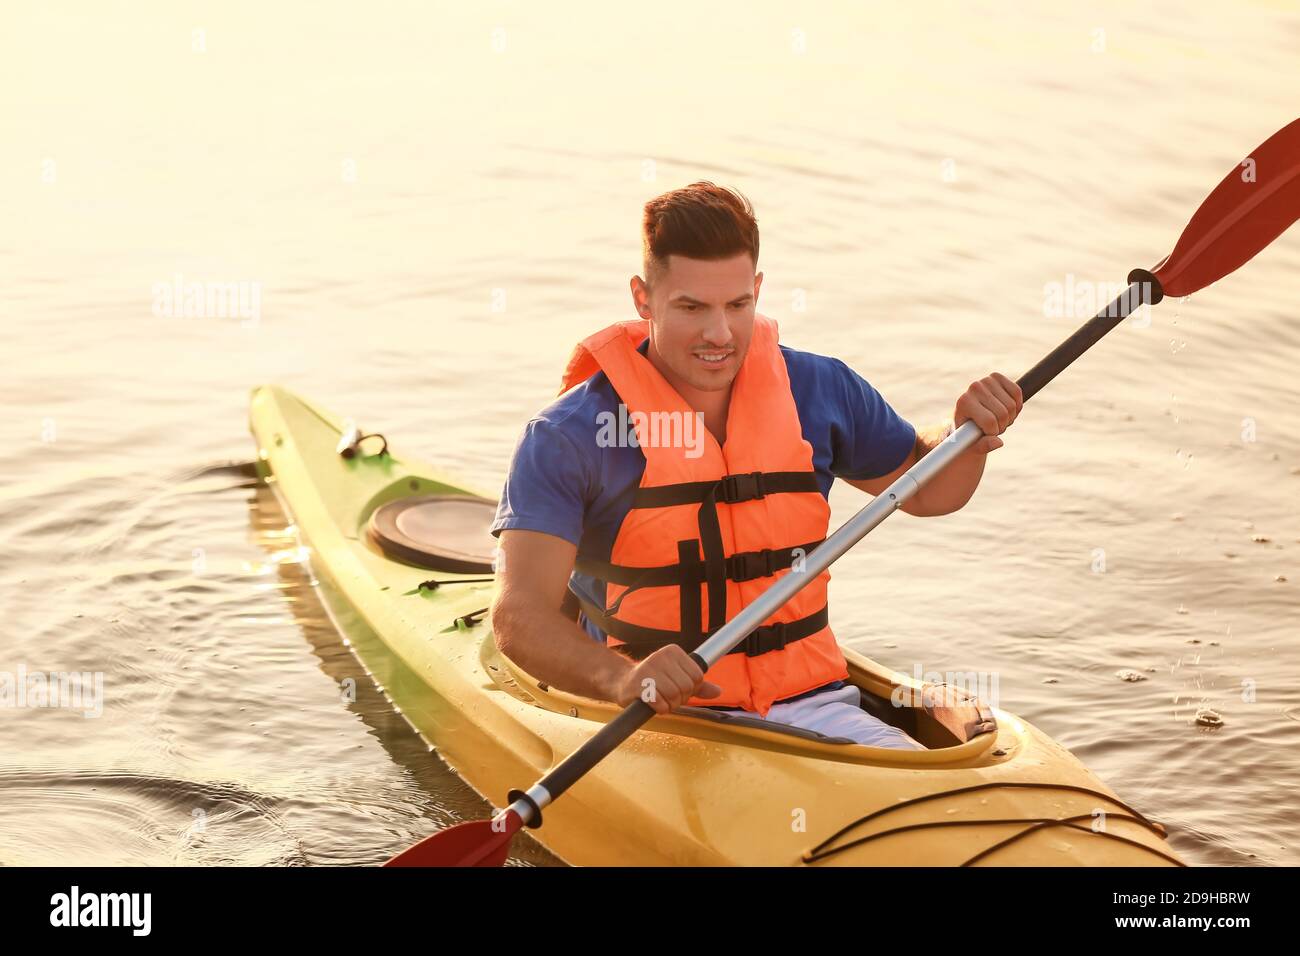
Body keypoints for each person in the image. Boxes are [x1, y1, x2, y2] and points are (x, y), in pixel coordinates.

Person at [489, 182, 1021, 750]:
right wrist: (621, 678)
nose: (719, 334)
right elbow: (518, 616)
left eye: (738, 305)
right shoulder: (568, 436)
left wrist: (964, 431)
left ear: (758, 290)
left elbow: (925, 488)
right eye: (691, 307)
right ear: (643, 299)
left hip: (816, 707)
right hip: (653, 723)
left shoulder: (819, 389)